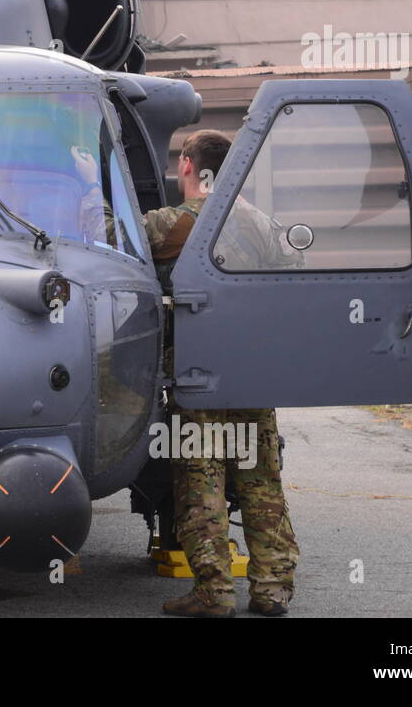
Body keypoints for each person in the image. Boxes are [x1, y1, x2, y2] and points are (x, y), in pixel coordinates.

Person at [144, 129, 299, 618]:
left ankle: (213, 592)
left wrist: (86, 183)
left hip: (200, 373)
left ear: (188, 164)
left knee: (201, 480)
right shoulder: (262, 223)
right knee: (261, 479)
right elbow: (293, 275)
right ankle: (272, 589)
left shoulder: (181, 222)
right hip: (254, 369)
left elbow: (111, 237)